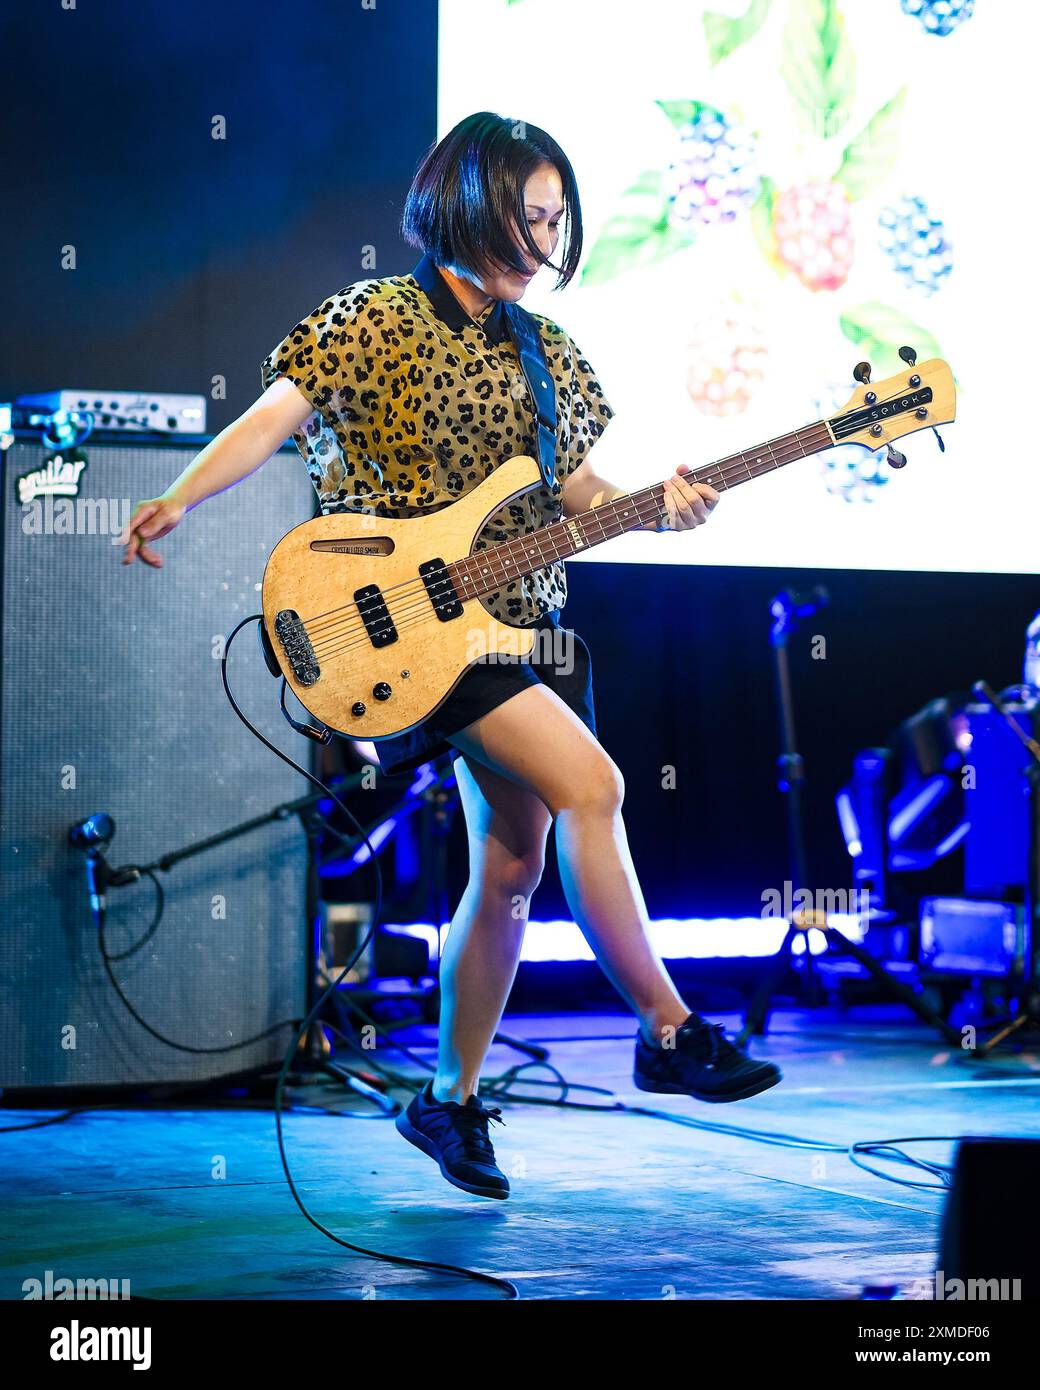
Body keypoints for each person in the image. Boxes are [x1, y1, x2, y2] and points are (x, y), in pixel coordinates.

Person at [122, 111, 782, 1202]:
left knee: (513, 869)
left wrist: (658, 511)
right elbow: (274, 415)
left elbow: (574, 493)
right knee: (597, 783)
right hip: (421, 628)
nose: (545, 236)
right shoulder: (375, 316)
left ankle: (449, 1097)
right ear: (470, 207)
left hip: (530, 623)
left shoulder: (547, 351)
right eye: (530, 214)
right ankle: (667, 1029)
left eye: (556, 218)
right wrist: (179, 497)